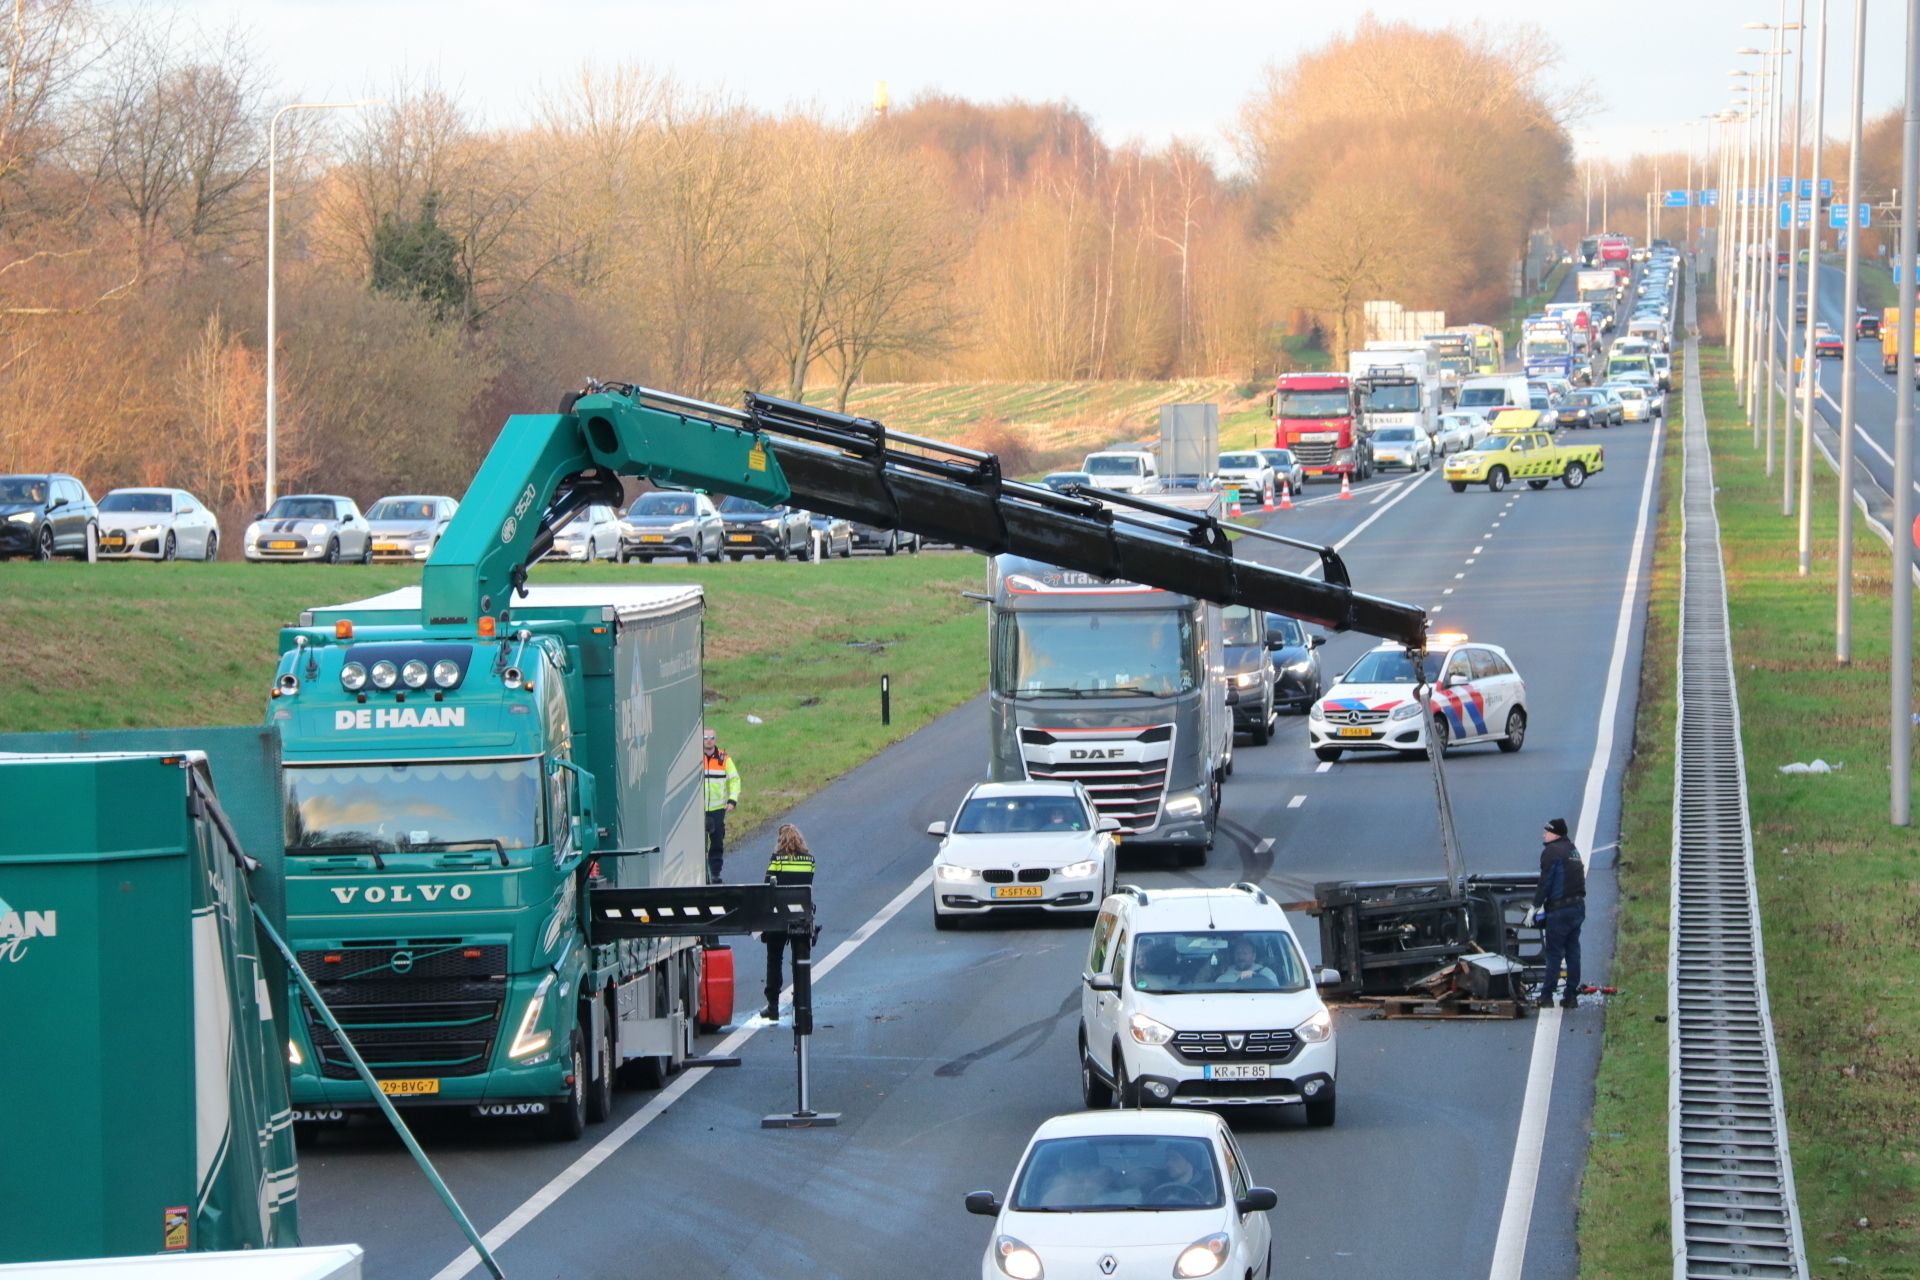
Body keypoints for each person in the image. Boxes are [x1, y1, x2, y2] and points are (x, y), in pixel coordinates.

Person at [761, 823, 815, 1020]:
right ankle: (799, 1002)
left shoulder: (777, 859)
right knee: (799, 961)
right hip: (801, 917)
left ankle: (773, 1006)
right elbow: (808, 883)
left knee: (774, 960)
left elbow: (767, 885)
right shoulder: (810, 860)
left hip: (779, 917)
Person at [1532, 817, 1586, 1009]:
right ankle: (1570, 996)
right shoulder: (1572, 849)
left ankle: (1546, 996)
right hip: (1578, 907)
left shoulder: (1551, 851)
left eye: (1546, 832)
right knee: (1573, 952)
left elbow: (1546, 881)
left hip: (1560, 910)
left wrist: (1536, 906)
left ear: (1555, 834)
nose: (1543, 835)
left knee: (1554, 953)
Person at [702, 728, 740, 882]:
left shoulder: (724, 759)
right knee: (698, 844)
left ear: (715, 740)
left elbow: (734, 779)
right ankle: (702, 874)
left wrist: (732, 799)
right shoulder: (695, 758)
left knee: (717, 842)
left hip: (717, 809)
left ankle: (715, 874)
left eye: (711, 737)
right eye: (705, 737)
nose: (708, 740)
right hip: (698, 810)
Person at [1212, 938, 1278, 989]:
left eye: (1245, 953)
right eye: (1238, 953)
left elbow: (1275, 993)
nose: (1241, 957)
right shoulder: (1224, 978)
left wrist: (1255, 977)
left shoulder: (1265, 973)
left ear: (1253, 956)